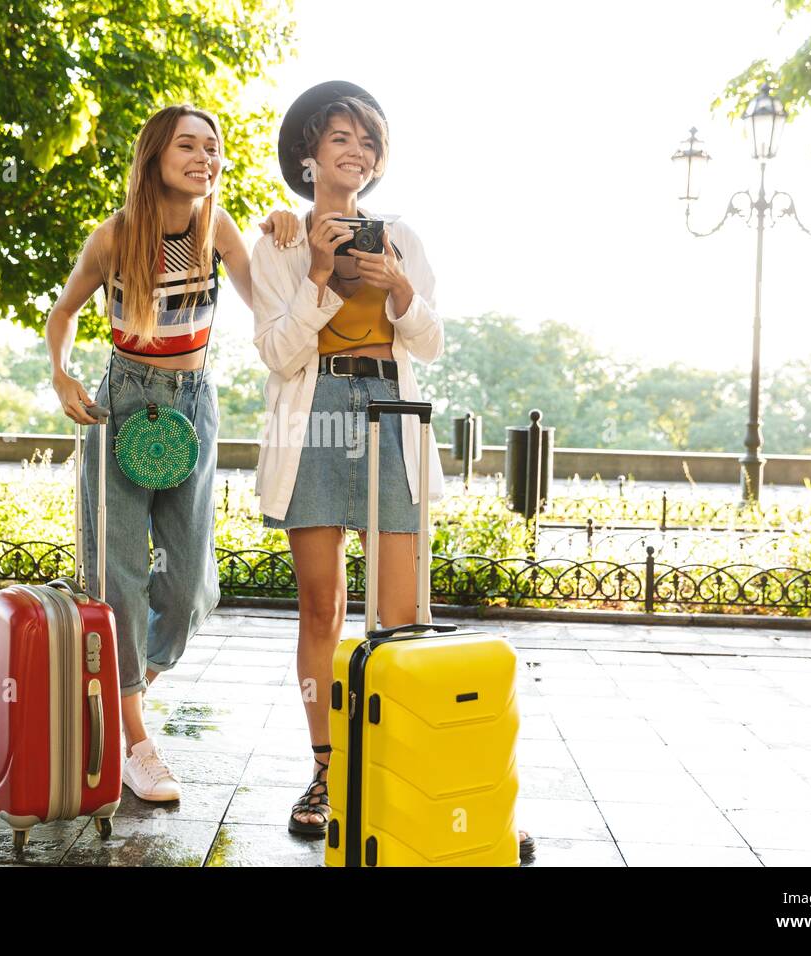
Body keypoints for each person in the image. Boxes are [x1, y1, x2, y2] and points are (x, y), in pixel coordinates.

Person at [250, 81, 535, 860]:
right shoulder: (276, 240)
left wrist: (400, 290)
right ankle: (326, 770)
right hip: (314, 416)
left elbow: (432, 340)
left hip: (391, 413)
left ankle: (409, 766)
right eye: (338, 138)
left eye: (367, 142)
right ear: (308, 156)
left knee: (400, 611)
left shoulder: (401, 234)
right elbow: (278, 352)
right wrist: (314, 272)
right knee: (320, 606)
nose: (355, 152)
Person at [45, 103, 297, 802]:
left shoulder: (216, 226)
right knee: (118, 577)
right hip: (121, 404)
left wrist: (284, 234)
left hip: (191, 406)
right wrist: (61, 375)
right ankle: (133, 738)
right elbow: (63, 312)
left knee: (188, 587)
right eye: (188, 145)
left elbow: (263, 295)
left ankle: (122, 692)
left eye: (212, 147)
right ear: (155, 155)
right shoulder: (116, 235)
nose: (203, 157)